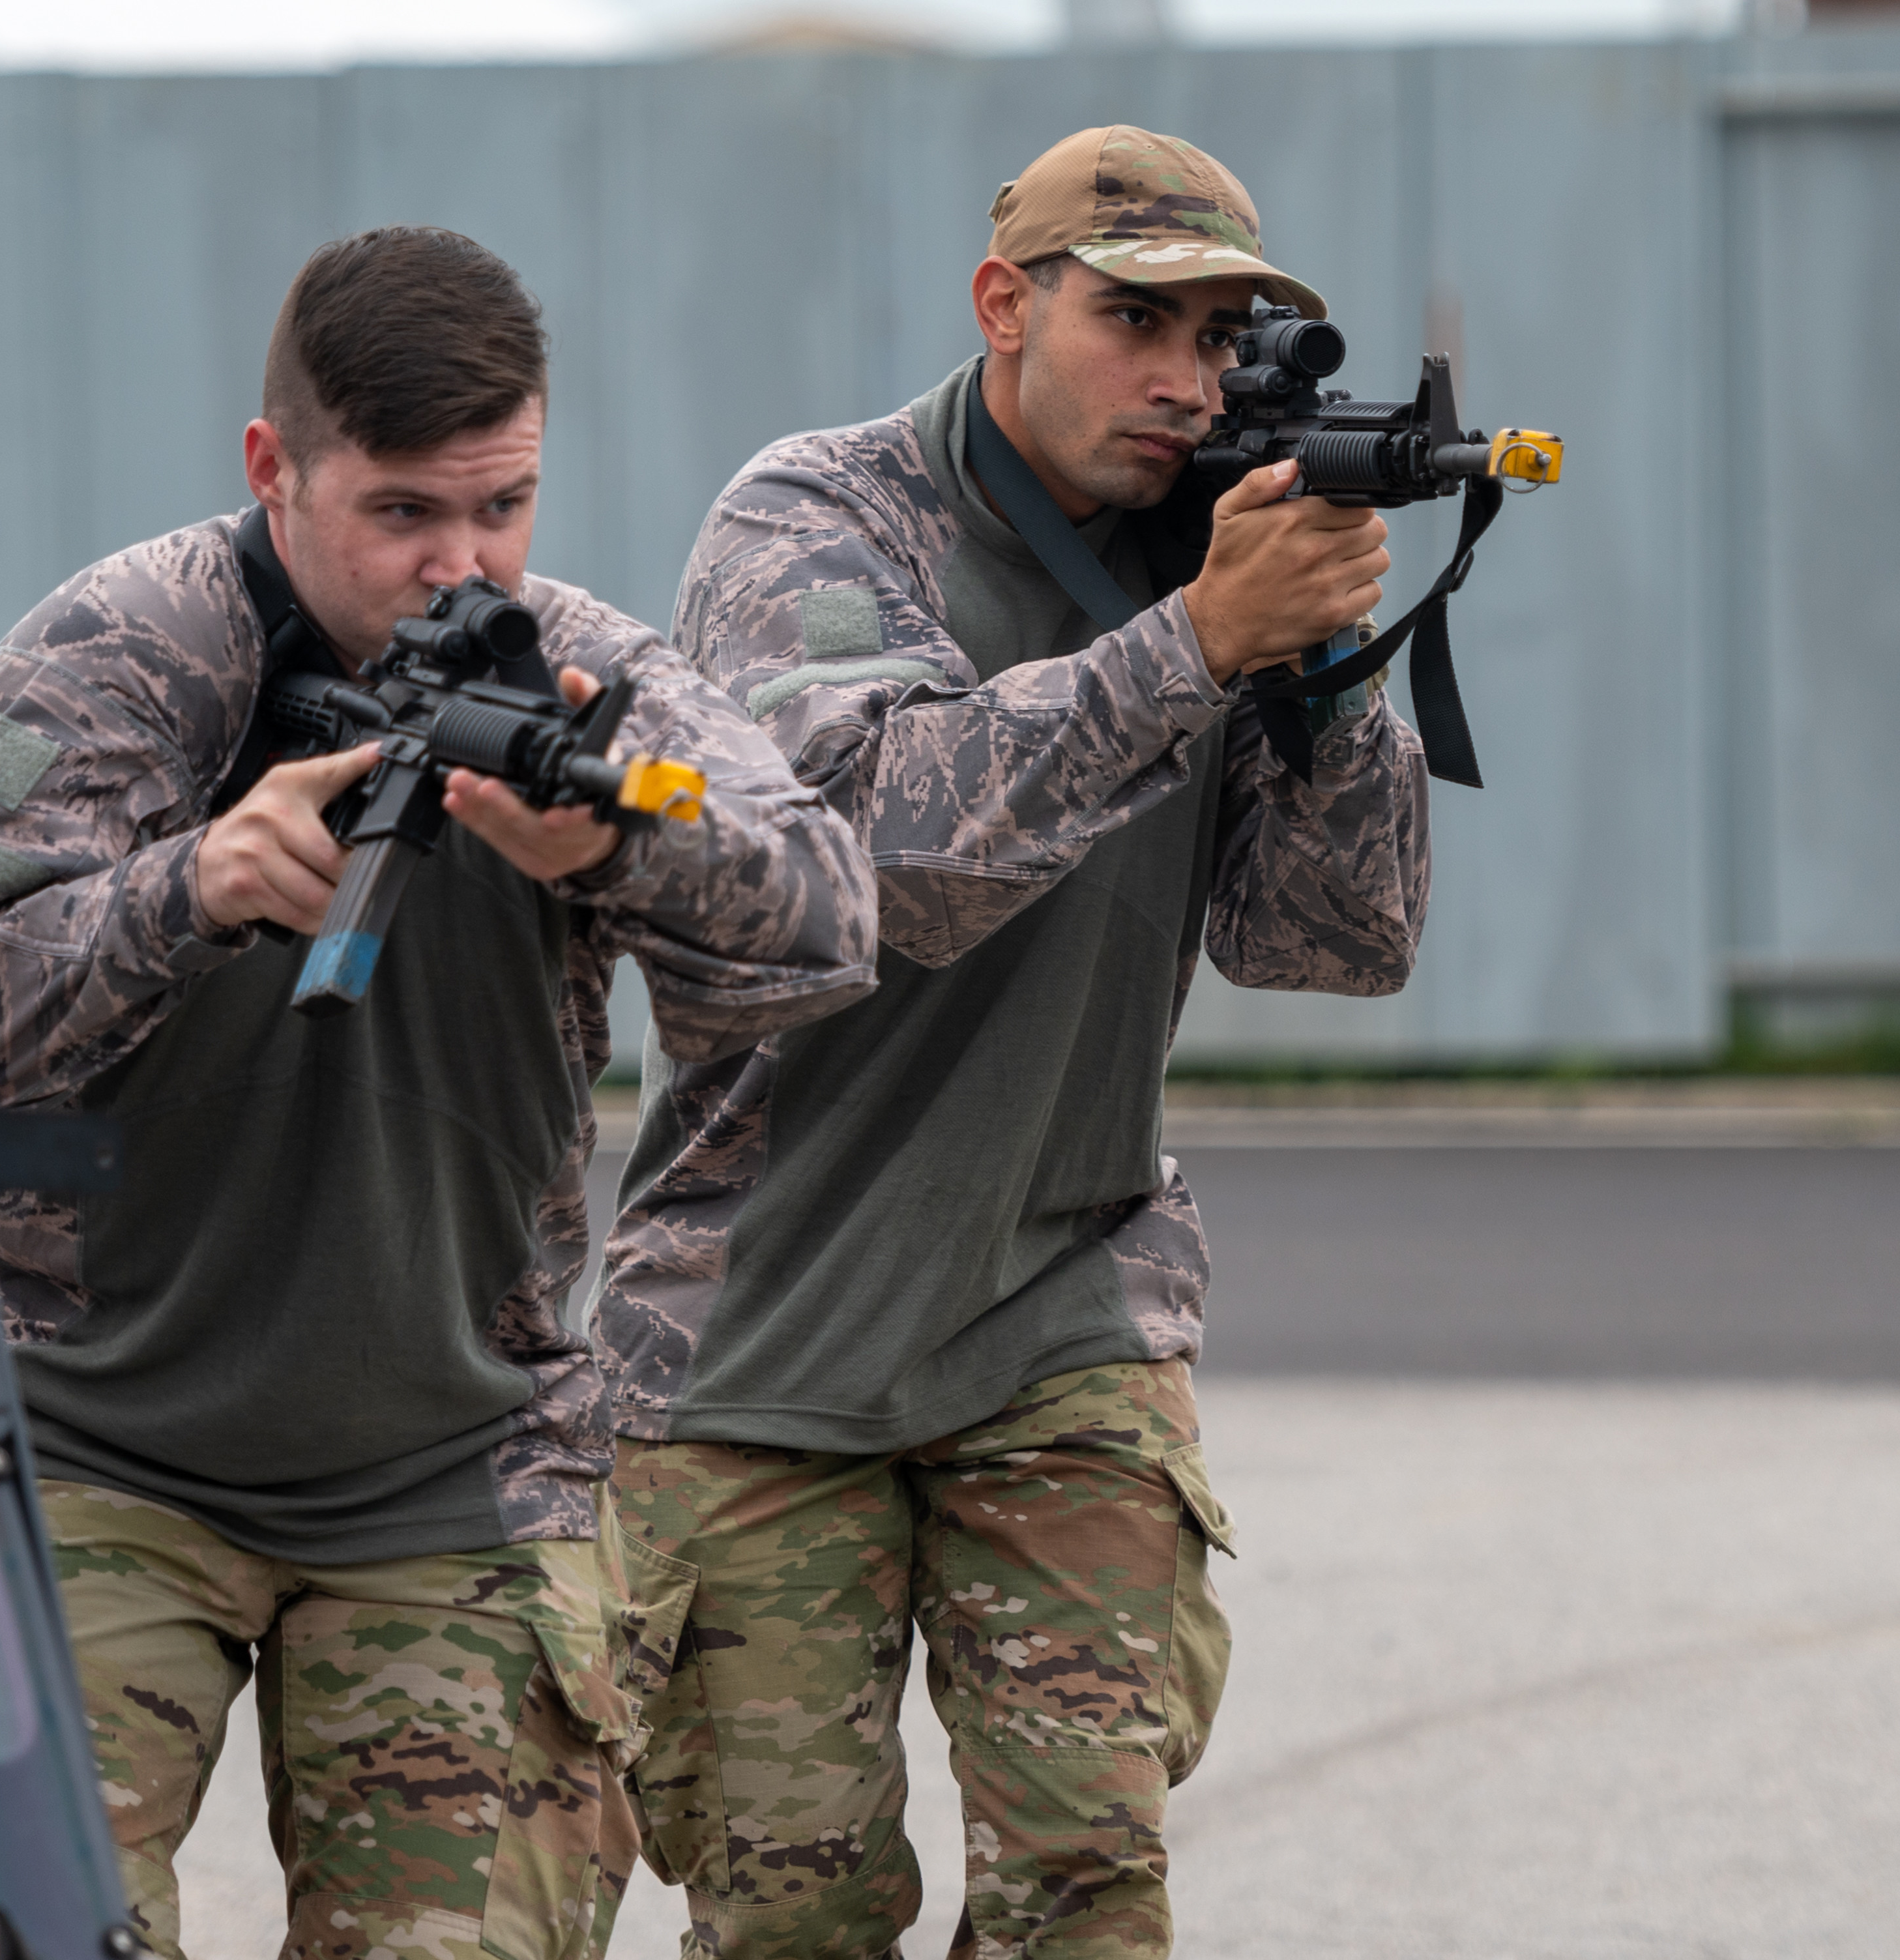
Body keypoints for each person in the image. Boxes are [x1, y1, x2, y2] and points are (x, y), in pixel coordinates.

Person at [0, 227, 877, 1960]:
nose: (464, 564)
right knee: (22, 1929)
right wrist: (177, 893)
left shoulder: (580, 674)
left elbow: (828, 921)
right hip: (95, 1452)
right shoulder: (121, 660)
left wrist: (624, 849)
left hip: (459, 1470)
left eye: (502, 505)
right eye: (407, 513)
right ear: (274, 469)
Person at [594, 126, 1433, 1957]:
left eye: (1218, 338)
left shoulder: (1202, 552)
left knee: (1086, 1884)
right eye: (1137, 318)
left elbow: (1334, 939)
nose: (1184, 378)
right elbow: (876, 864)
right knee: (790, 1917)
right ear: (1006, 305)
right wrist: (1201, 642)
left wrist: (1324, 675)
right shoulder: (816, 518)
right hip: (762, 1331)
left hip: (1064, 1299)